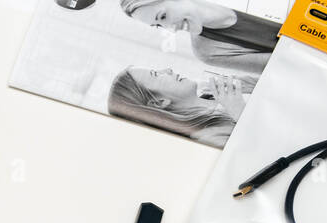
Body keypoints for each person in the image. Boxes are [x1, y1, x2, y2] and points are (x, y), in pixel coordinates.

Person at [119, 0, 277, 76]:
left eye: (163, 16)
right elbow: (281, 65)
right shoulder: (207, 52)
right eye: (158, 25)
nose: (171, 29)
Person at [108, 67, 244, 146]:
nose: (167, 69)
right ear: (159, 102)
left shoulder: (217, 94)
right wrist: (240, 113)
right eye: (156, 74)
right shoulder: (208, 137)